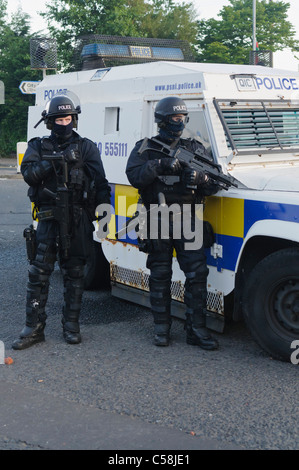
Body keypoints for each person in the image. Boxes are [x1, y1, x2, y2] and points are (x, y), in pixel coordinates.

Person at [12, 94, 111, 350]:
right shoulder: (38, 146)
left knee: (75, 273)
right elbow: (29, 176)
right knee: (39, 273)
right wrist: (52, 163)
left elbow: (100, 182)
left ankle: (71, 326)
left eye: (67, 118)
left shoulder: (86, 147)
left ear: (74, 119)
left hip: (77, 218)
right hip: (48, 217)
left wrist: (104, 217)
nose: (63, 123)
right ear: (49, 122)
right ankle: (33, 328)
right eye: (58, 119)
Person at [126, 96, 219, 350]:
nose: (179, 123)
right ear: (163, 120)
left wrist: (200, 178)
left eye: (182, 118)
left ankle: (196, 330)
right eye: (175, 118)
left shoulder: (195, 149)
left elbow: (216, 183)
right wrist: (159, 165)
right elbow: (134, 176)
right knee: (160, 275)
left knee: (197, 276)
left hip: (188, 218)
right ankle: (161, 329)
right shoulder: (145, 148)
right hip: (156, 217)